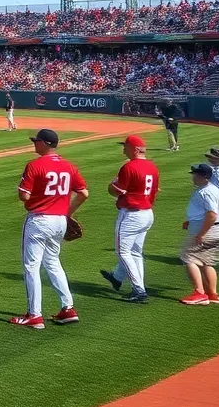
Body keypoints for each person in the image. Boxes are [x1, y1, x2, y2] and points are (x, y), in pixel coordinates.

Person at [11, 129, 88, 329]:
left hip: (39, 220)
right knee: (53, 262)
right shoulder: (69, 166)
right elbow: (83, 193)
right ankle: (68, 307)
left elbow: (24, 196)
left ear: (45, 143)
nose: (34, 144)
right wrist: (67, 212)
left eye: (36, 141)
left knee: (32, 267)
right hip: (59, 222)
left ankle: (34, 315)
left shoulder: (35, 165)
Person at [100, 135, 159, 303]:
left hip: (131, 215)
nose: (123, 149)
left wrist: (111, 185)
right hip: (147, 213)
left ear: (135, 149)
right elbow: (155, 192)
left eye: (125, 146)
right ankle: (125, 281)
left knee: (123, 252)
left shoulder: (129, 167)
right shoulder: (153, 167)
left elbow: (115, 190)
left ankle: (139, 290)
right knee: (135, 253)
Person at [179, 163, 219, 305]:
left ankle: (200, 293)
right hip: (218, 229)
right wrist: (190, 221)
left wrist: (201, 234)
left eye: (196, 175)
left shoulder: (205, 192)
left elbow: (212, 214)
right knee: (207, 262)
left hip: (208, 231)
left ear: (204, 177)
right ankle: (213, 294)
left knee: (188, 257)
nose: (193, 177)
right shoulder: (215, 190)